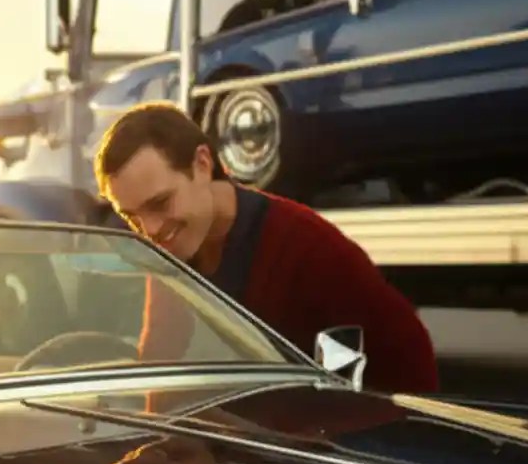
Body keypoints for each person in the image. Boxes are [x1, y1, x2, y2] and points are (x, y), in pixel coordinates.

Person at [94, 102, 438, 393]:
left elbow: (363, 373)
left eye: (160, 203)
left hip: (379, 429)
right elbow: (160, 365)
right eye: (132, 216)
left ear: (202, 164)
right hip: (272, 421)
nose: (149, 230)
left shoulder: (304, 244)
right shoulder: (174, 248)